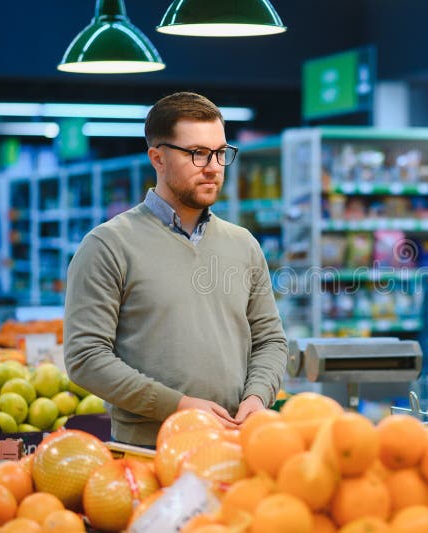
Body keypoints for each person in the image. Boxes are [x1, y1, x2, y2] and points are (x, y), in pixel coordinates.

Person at [64, 92, 288, 447]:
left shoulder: (243, 244)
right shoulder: (108, 245)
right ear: (158, 158)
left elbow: (270, 340)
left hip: (234, 445)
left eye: (220, 153)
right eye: (197, 153)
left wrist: (257, 396)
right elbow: (86, 357)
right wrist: (178, 406)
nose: (213, 167)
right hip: (148, 452)